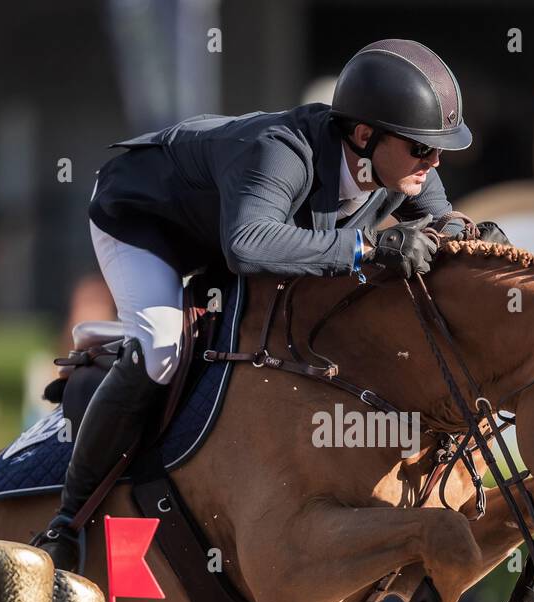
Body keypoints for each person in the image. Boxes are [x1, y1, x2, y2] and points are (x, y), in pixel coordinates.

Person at [34, 38, 505, 572]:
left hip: (219, 232)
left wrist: (475, 239)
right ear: (364, 134)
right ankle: (66, 523)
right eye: (422, 146)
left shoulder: (403, 166)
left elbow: (442, 226)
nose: (434, 159)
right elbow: (248, 245)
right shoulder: (280, 151)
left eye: (437, 147)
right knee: (163, 348)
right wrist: (369, 246)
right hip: (145, 223)